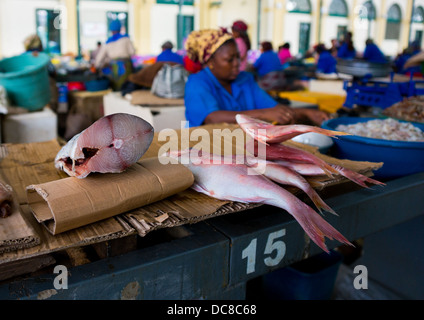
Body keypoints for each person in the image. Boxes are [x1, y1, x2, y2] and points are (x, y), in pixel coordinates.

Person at [184, 29, 330, 128]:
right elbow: (213, 118)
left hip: (243, 149)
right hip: (207, 152)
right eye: (229, 60)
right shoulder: (197, 83)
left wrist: (307, 113)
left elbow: (273, 109)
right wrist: (263, 114)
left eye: (238, 58)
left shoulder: (245, 79)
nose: (237, 64)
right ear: (210, 62)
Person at [94, 19, 135, 91]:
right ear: (120, 29)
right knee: (127, 86)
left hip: (113, 68)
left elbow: (99, 58)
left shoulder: (107, 43)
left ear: (111, 30)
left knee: (116, 87)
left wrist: (96, 66)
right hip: (126, 66)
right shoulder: (126, 39)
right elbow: (132, 52)